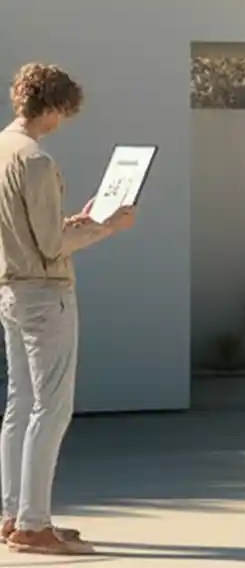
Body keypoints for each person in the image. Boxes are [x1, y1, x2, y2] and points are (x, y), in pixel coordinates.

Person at [0, 64, 136, 555]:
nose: (64, 120)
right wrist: (107, 226)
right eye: (65, 111)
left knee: (18, 406)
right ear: (54, 107)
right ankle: (34, 524)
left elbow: (32, 228)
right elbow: (53, 243)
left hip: (11, 290)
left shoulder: (2, 148)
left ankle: (14, 513)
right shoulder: (35, 159)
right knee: (50, 408)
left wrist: (79, 218)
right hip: (43, 294)